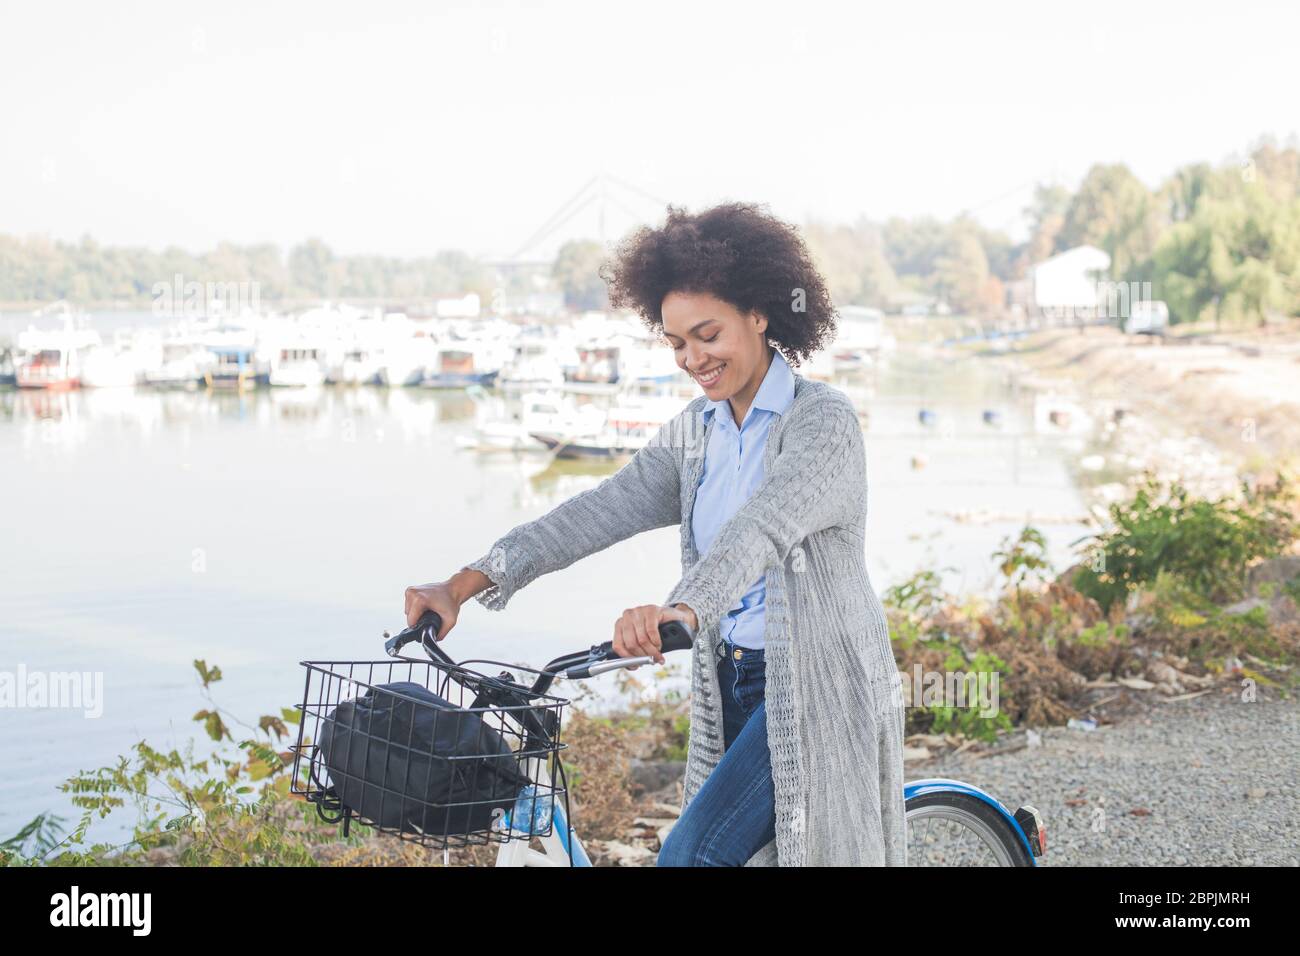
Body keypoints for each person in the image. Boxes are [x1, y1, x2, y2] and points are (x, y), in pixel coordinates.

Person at [404, 201, 907, 866]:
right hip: (730, 678)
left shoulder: (822, 425)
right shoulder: (694, 435)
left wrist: (683, 607)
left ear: (759, 313)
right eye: (676, 344)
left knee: (693, 857)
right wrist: (464, 584)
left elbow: (760, 530)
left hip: (818, 681)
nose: (693, 358)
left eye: (707, 334)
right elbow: (599, 509)